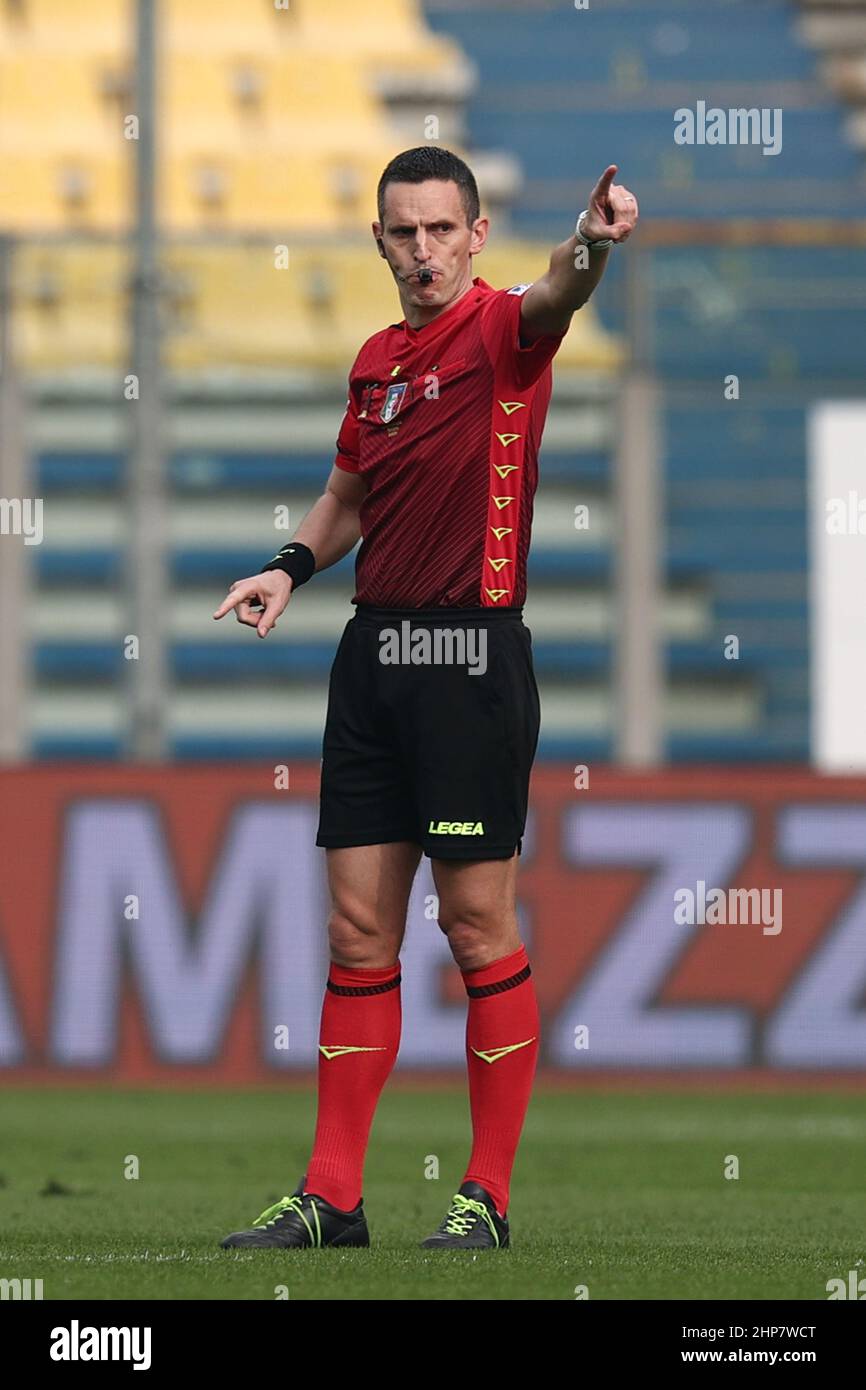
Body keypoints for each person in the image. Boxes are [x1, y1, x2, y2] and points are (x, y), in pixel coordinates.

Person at [213, 146, 638, 1250]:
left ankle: (484, 1195)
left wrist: (590, 243)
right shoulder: (375, 363)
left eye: (441, 230)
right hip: (373, 660)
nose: (422, 252)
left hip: (469, 662)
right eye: (402, 232)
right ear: (379, 241)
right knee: (357, 930)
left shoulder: (503, 333)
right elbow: (347, 493)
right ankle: (331, 1198)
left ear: (474, 234)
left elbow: (562, 286)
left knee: (472, 921)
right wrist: (287, 566)